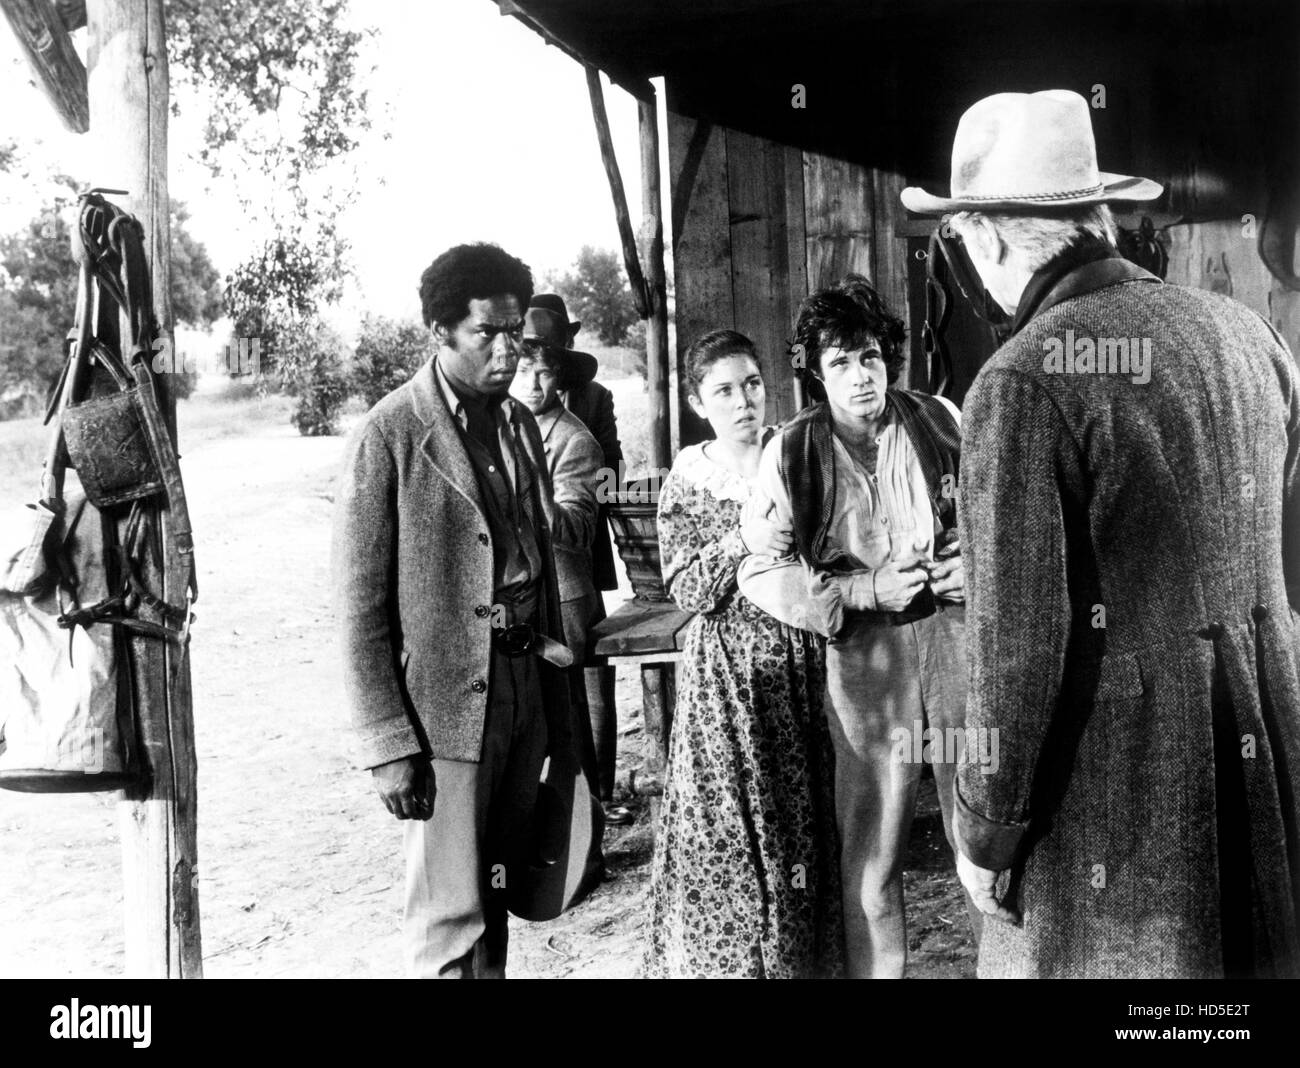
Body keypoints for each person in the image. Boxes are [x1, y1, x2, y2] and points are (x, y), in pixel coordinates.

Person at [901, 88, 1300, 977]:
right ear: (1100, 219)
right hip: (1269, 774)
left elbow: (1018, 650)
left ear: (989, 236)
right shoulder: (1250, 336)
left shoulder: (1019, 383)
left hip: (1119, 813)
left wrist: (986, 831)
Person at [332, 242, 581, 978]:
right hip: (443, 710)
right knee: (448, 919)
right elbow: (357, 607)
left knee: (497, 895)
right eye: (488, 335)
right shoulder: (389, 434)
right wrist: (387, 744)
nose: (508, 353)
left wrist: (555, 699)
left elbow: (540, 554)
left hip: (521, 686)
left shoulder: (518, 426)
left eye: (519, 337)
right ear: (438, 333)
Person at [738, 276, 973, 979]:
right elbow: (759, 566)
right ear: (814, 369)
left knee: (985, 844)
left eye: (870, 356)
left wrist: (980, 570)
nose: (860, 376)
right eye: (839, 362)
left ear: (888, 357)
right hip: (868, 664)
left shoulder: (939, 419)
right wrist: (859, 589)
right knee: (873, 862)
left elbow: (1000, 520)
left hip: (957, 644)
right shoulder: (792, 453)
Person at [644, 329, 842, 978]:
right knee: (736, 832)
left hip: (804, 664)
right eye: (723, 391)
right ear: (701, 403)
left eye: (752, 384)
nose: (742, 402)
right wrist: (742, 537)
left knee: (807, 824)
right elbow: (692, 589)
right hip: (730, 683)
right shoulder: (691, 480)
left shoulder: (799, 454)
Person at [530, 294, 628, 823]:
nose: (532, 376)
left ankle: (600, 798)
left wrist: (569, 494)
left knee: (588, 687)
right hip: (533, 576)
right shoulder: (507, 411)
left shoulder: (590, 405)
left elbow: (608, 472)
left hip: (576, 551)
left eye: (547, 354)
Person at [508, 310, 604, 792]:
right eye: (523, 370)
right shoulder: (500, 429)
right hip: (519, 597)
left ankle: (587, 842)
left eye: (543, 372)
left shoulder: (574, 441)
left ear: (559, 378)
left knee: (569, 719)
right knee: (527, 718)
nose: (532, 383)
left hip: (563, 598)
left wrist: (539, 487)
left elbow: (579, 530)